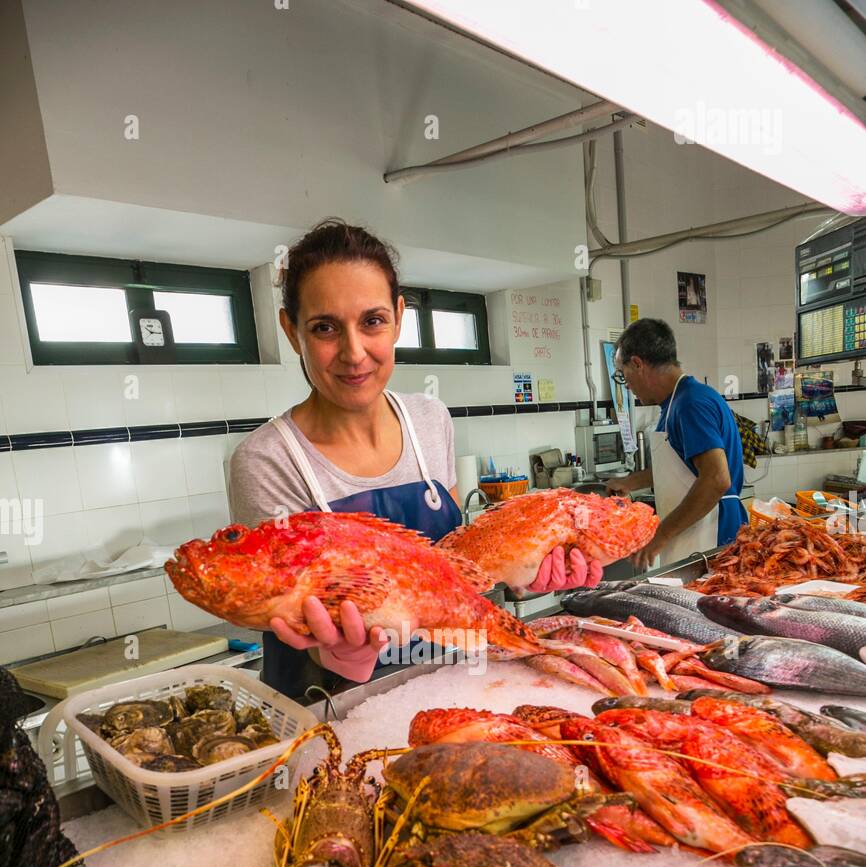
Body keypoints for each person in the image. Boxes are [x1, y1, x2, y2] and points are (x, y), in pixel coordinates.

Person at [229, 219, 602, 697]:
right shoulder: (267, 459)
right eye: (324, 327)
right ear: (290, 329)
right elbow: (284, 608)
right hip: (327, 706)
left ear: (399, 318)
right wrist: (341, 653)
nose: (354, 352)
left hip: (449, 682)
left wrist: (524, 577)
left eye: (372, 321)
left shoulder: (429, 420)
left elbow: (453, 572)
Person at [608, 318, 747, 570]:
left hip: (711, 534)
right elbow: (683, 465)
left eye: (623, 374)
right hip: (692, 535)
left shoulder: (691, 403)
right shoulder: (675, 403)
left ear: (638, 364)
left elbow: (716, 479)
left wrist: (660, 537)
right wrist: (631, 482)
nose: (626, 385)